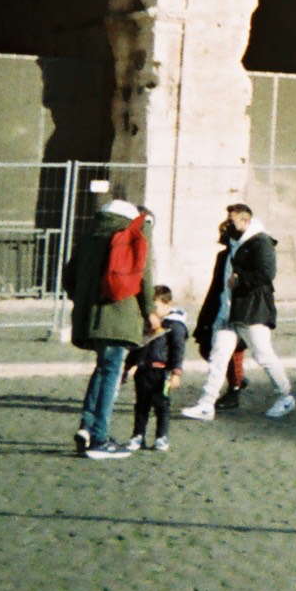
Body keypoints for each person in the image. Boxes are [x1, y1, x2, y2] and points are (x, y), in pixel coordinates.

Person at [184, 203, 296, 421]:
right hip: (228, 312)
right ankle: (206, 403)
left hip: (251, 311)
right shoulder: (235, 244)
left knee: (263, 355)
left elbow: (266, 274)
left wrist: (240, 279)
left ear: (245, 220)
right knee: (218, 356)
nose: (227, 224)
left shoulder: (261, 242)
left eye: (232, 220)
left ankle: (285, 396)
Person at [69, 195, 154, 460]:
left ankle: (87, 427)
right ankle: (100, 438)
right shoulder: (135, 231)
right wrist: (149, 311)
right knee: (111, 374)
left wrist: (85, 300)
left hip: (90, 317)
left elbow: (69, 276)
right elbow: (144, 276)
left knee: (102, 370)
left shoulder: (91, 234)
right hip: (120, 315)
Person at [126, 297, 187, 452]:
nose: (152, 311)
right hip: (143, 371)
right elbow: (138, 346)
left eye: (155, 307)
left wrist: (176, 372)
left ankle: (161, 437)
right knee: (141, 405)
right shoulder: (148, 323)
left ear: (168, 304)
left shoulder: (174, 326)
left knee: (162, 405)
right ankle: (138, 435)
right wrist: (127, 367)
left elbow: (178, 350)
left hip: (162, 372)